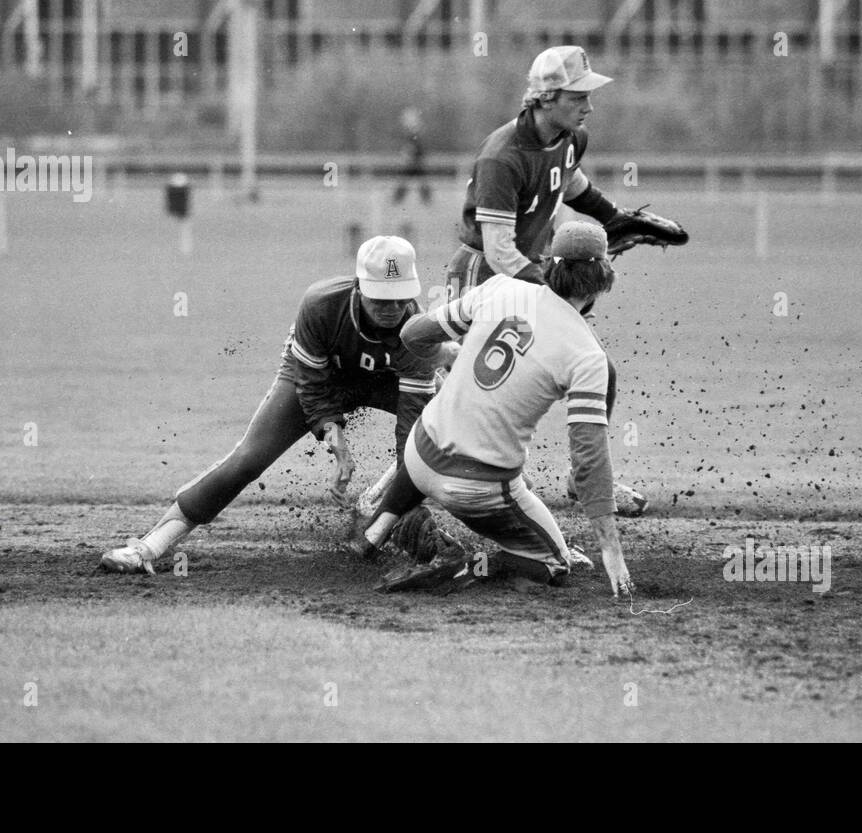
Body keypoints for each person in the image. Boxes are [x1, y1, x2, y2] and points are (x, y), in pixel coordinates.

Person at [99, 236, 445, 574]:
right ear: (358, 287)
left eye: (401, 299)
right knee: (249, 459)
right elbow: (312, 386)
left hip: (385, 383)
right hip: (321, 378)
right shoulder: (322, 305)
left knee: (444, 418)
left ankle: (378, 502)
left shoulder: (419, 333)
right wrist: (336, 441)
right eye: (381, 299)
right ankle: (150, 545)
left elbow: (411, 427)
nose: (392, 309)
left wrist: (404, 495)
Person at [351, 222, 635, 598]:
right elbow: (589, 461)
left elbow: (412, 335)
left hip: (419, 457)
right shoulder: (588, 355)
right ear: (602, 281)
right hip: (477, 489)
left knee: (436, 424)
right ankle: (461, 568)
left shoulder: (501, 287)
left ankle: (375, 531)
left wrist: (452, 354)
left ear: (550, 266)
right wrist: (611, 550)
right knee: (555, 563)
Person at [445, 44, 662, 516]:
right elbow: (500, 248)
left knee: (596, 370)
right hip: (485, 274)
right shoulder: (502, 156)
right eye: (578, 96)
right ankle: (393, 493)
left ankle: (585, 480)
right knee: (460, 391)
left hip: (532, 272)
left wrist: (614, 218)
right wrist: (550, 290)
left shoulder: (570, 137)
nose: (589, 105)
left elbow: (569, 181)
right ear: (545, 99)